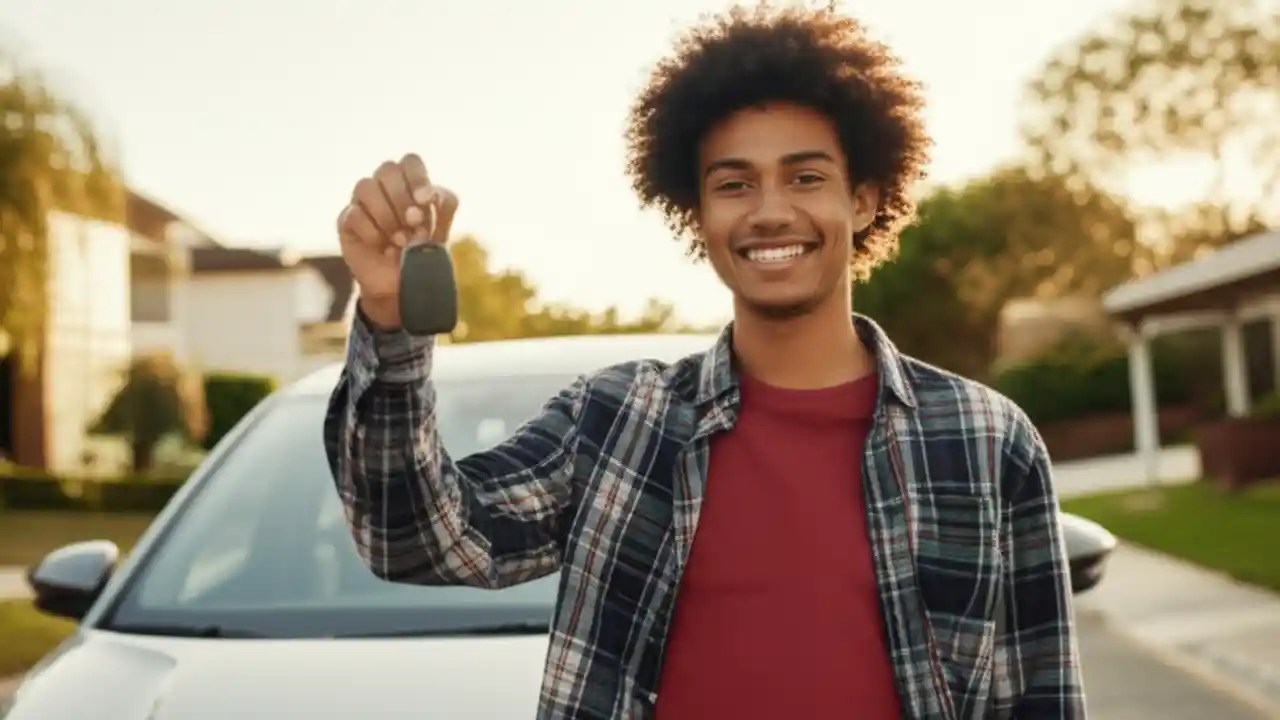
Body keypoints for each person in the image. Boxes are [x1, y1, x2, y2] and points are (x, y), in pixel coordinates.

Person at [325, 4, 1085, 719]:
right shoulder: (619, 421)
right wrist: (392, 319)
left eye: (805, 176)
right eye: (734, 184)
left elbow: (1042, 699)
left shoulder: (986, 440)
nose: (769, 211)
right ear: (698, 213)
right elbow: (416, 538)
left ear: (863, 199)